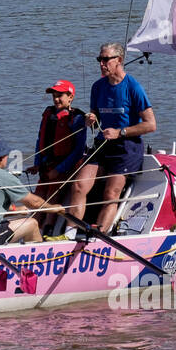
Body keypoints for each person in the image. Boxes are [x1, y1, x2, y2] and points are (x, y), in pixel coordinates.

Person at [69, 43, 156, 234]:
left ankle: (98, 236)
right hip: (103, 144)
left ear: (119, 60)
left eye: (105, 59)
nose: (101, 63)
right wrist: (91, 118)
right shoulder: (98, 87)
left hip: (127, 147)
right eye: (99, 59)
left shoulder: (133, 87)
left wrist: (120, 132)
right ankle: (68, 235)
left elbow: (150, 124)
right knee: (78, 186)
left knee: (111, 193)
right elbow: (95, 115)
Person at [28, 80, 90, 226]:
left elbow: (78, 151)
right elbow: (40, 141)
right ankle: (34, 228)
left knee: (51, 197)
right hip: (46, 167)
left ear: (70, 97)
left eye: (60, 95)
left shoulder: (77, 118)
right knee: (38, 197)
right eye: (54, 96)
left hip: (64, 168)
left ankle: (48, 229)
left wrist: (59, 169)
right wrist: (37, 164)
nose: (56, 99)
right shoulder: (48, 114)